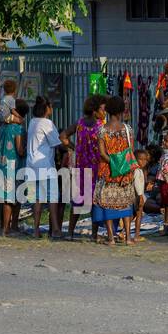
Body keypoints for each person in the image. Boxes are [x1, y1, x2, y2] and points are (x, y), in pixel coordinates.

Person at [93, 96, 135, 245]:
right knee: (126, 204)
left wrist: (113, 163)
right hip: (125, 172)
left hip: (108, 171)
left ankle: (111, 238)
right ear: (122, 111)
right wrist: (122, 167)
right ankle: (128, 238)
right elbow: (131, 151)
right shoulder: (128, 129)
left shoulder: (102, 130)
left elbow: (102, 153)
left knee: (107, 205)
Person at [26, 96, 61, 240]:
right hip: (45, 165)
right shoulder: (47, 123)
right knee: (52, 198)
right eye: (51, 107)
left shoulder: (32, 122)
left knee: (37, 200)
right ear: (47, 109)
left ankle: (35, 230)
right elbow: (57, 142)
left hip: (31, 165)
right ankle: (56, 230)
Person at [73, 95, 107, 241]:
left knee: (78, 200)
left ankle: (69, 232)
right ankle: (93, 235)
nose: (105, 112)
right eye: (103, 109)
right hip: (95, 168)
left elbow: (63, 136)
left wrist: (74, 149)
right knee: (94, 202)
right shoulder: (101, 126)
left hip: (81, 167)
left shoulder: (79, 123)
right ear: (95, 111)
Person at [0, 99, 27, 237]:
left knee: (1, 197)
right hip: (14, 165)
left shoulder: (3, 127)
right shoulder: (18, 128)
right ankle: (9, 227)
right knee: (12, 198)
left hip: (1, 164)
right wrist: (24, 151)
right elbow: (19, 149)